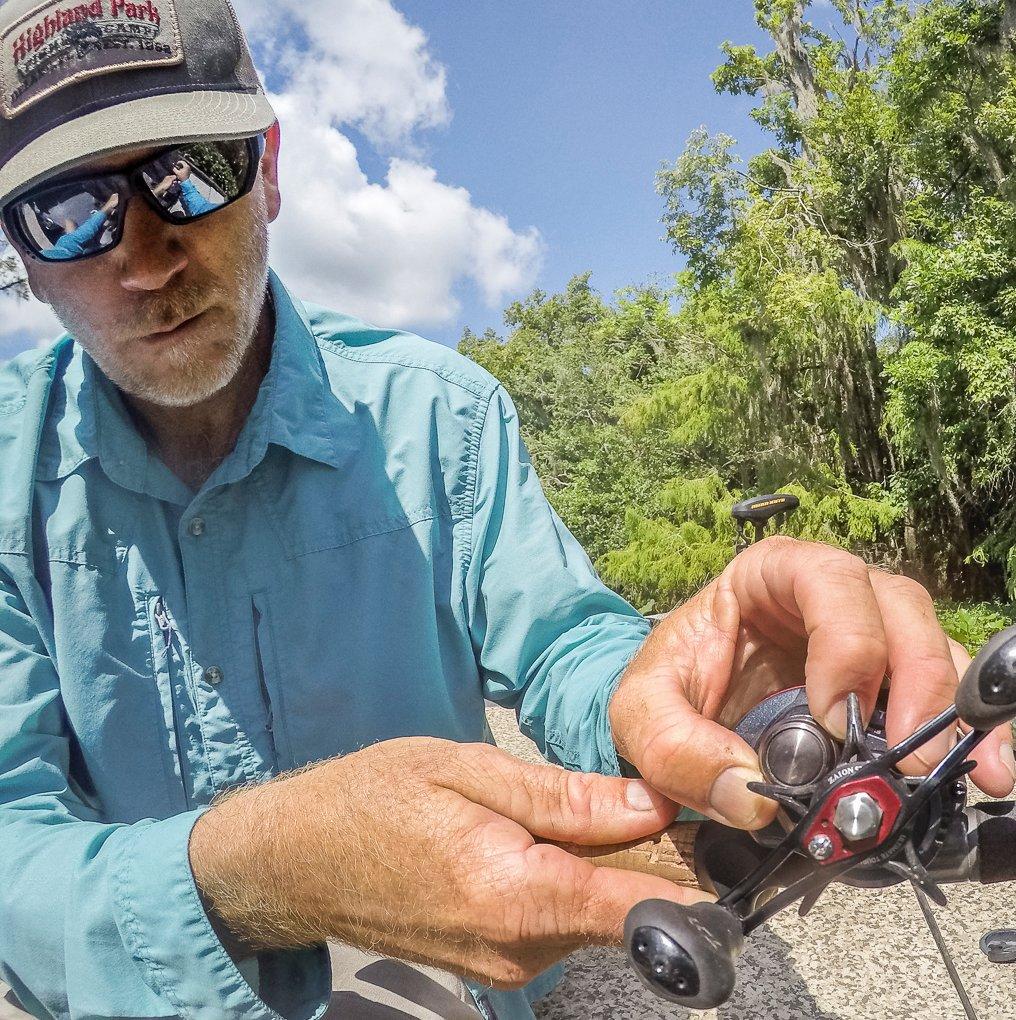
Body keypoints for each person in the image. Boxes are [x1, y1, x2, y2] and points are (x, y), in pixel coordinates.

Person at [0, 1, 1011, 1019]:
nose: (139, 257)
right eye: (66, 211)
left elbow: (565, 644)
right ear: (21, 258)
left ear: (266, 167)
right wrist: (253, 868)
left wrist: (714, 706)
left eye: (186, 171)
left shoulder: (445, 417)